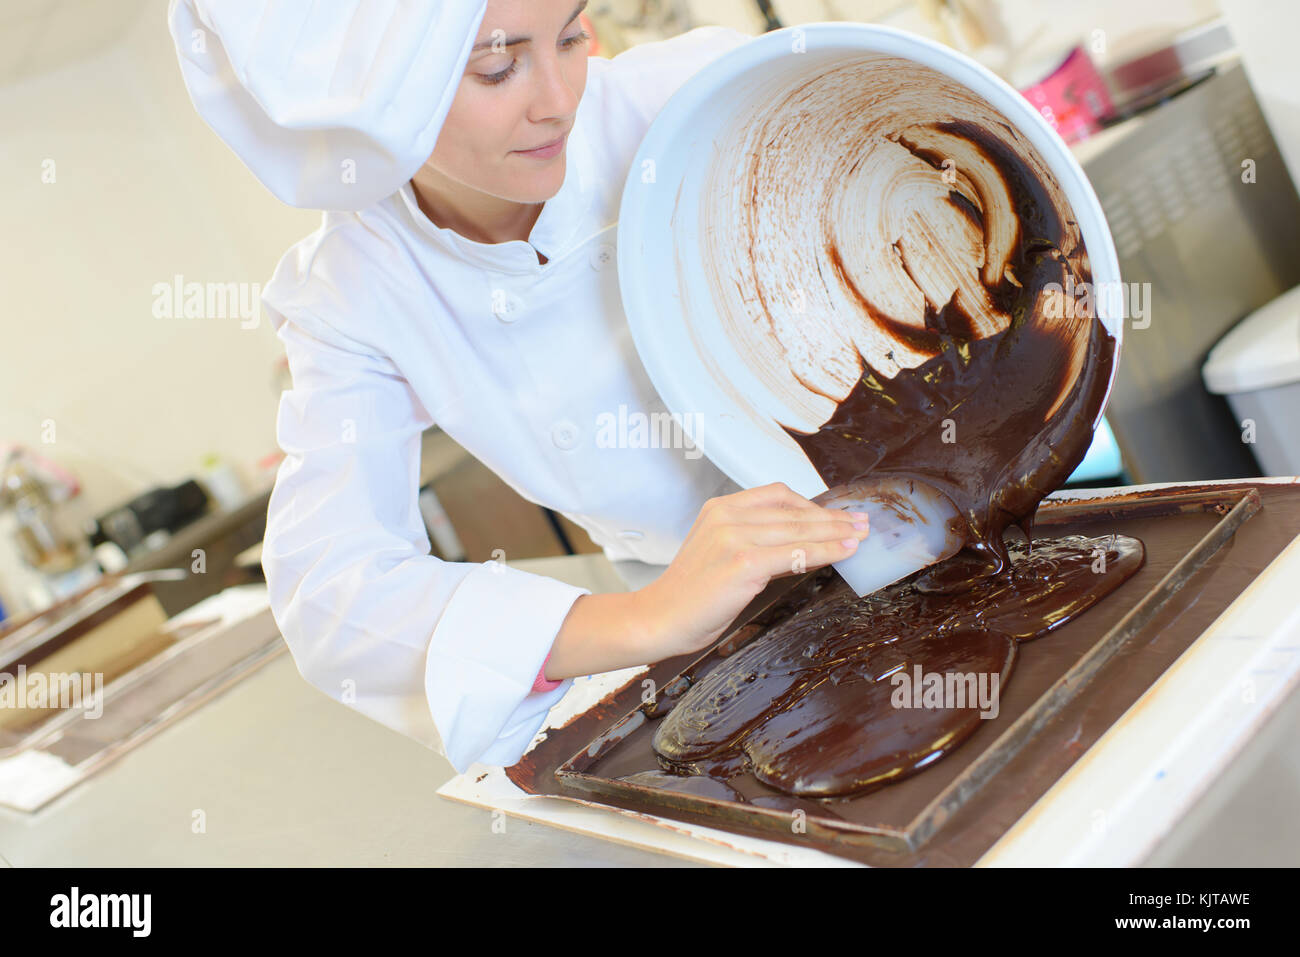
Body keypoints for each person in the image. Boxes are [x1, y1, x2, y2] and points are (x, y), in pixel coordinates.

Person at [168, 0, 870, 772]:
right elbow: (333, 593)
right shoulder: (354, 290)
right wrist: (647, 618)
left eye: (571, 35)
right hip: (708, 622)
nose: (560, 99)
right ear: (377, 94)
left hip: (889, 506)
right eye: (498, 67)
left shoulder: (690, 94)